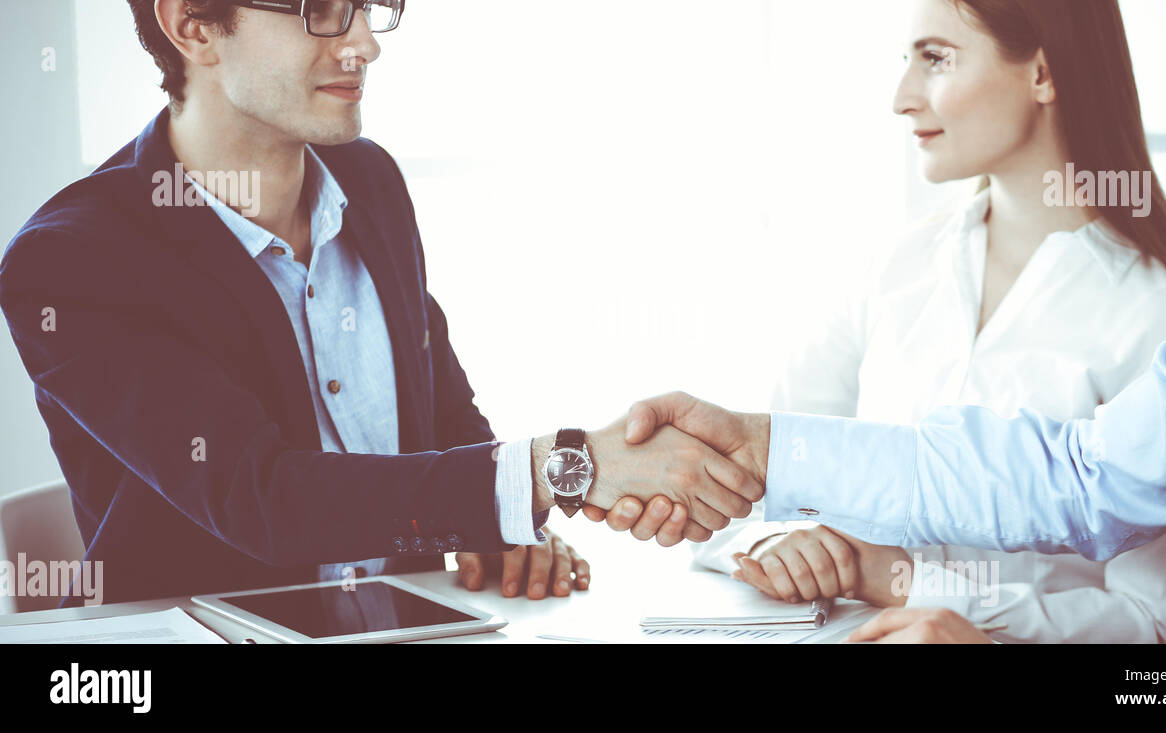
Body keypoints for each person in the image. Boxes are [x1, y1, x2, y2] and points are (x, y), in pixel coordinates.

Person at [0, 0, 759, 606]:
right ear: (193, 26)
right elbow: (261, 495)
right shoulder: (74, 261)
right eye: (318, 9)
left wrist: (498, 523)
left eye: (367, 4)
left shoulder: (368, 181)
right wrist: (563, 468)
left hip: (410, 622)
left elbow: (439, 410)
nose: (363, 42)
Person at [600, 0, 1166, 643]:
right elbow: (1076, 478)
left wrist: (905, 581)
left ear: (1044, 74)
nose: (901, 98)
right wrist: (766, 477)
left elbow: (1163, 643)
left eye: (937, 59)